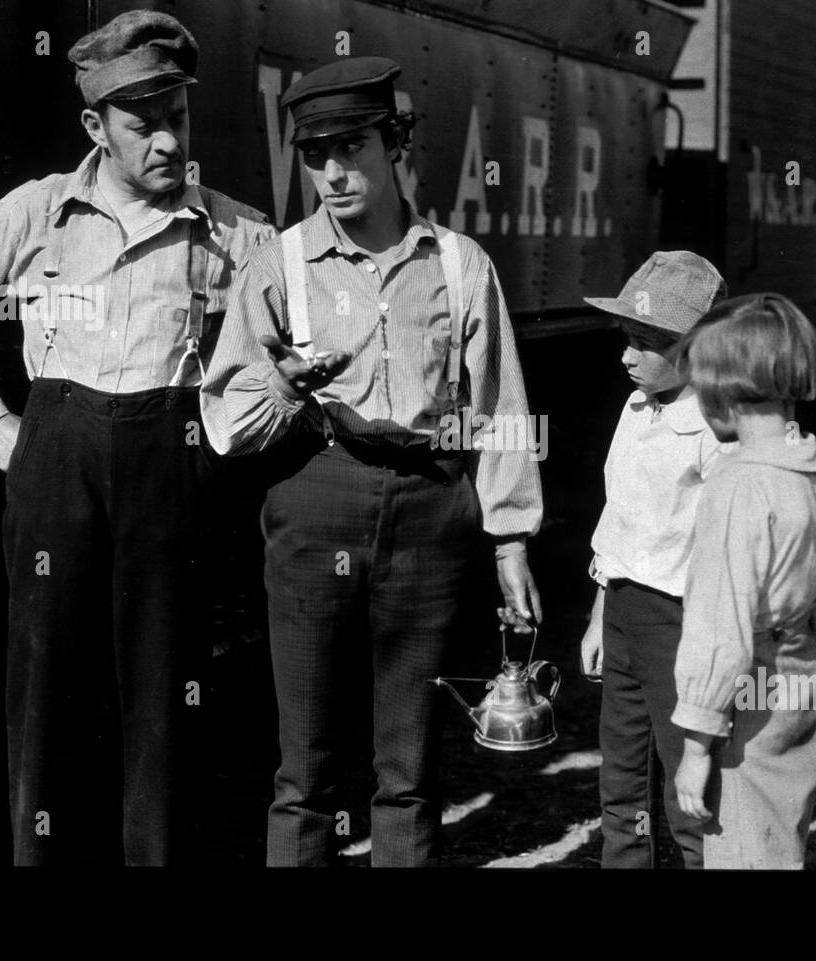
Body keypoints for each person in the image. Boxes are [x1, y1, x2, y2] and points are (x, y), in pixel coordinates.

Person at [0, 10, 275, 865]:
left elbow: (287, 343)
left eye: (177, 116)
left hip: (168, 472)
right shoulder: (37, 214)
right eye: (143, 125)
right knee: (45, 695)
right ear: (94, 127)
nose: (168, 141)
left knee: (163, 697)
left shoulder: (238, 234)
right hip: (55, 463)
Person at [200, 57, 544, 867]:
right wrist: (280, 384)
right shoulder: (279, 264)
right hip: (317, 493)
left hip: (429, 503)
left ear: (395, 143)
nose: (332, 173)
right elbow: (223, 419)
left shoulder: (460, 264)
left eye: (350, 147)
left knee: (410, 765)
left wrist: (510, 542)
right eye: (314, 154)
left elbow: (499, 409)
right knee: (305, 768)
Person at [671, 292, 816, 870]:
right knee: (780, 841)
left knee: (744, 852)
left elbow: (720, 629)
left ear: (719, 393)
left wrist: (697, 744)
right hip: (800, 680)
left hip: (748, 697)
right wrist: (806, 663)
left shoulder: (737, 486)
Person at [578, 251, 731, 868]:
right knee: (621, 779)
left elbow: (727, 552)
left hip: (682, 622)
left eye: (645, 343)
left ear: (697, 349)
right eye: (626, 338)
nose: (626, 356)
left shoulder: (718, 429)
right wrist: (599, 617)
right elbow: (618, 518)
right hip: (623, 610)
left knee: (689, 787)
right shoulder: (637, 407)